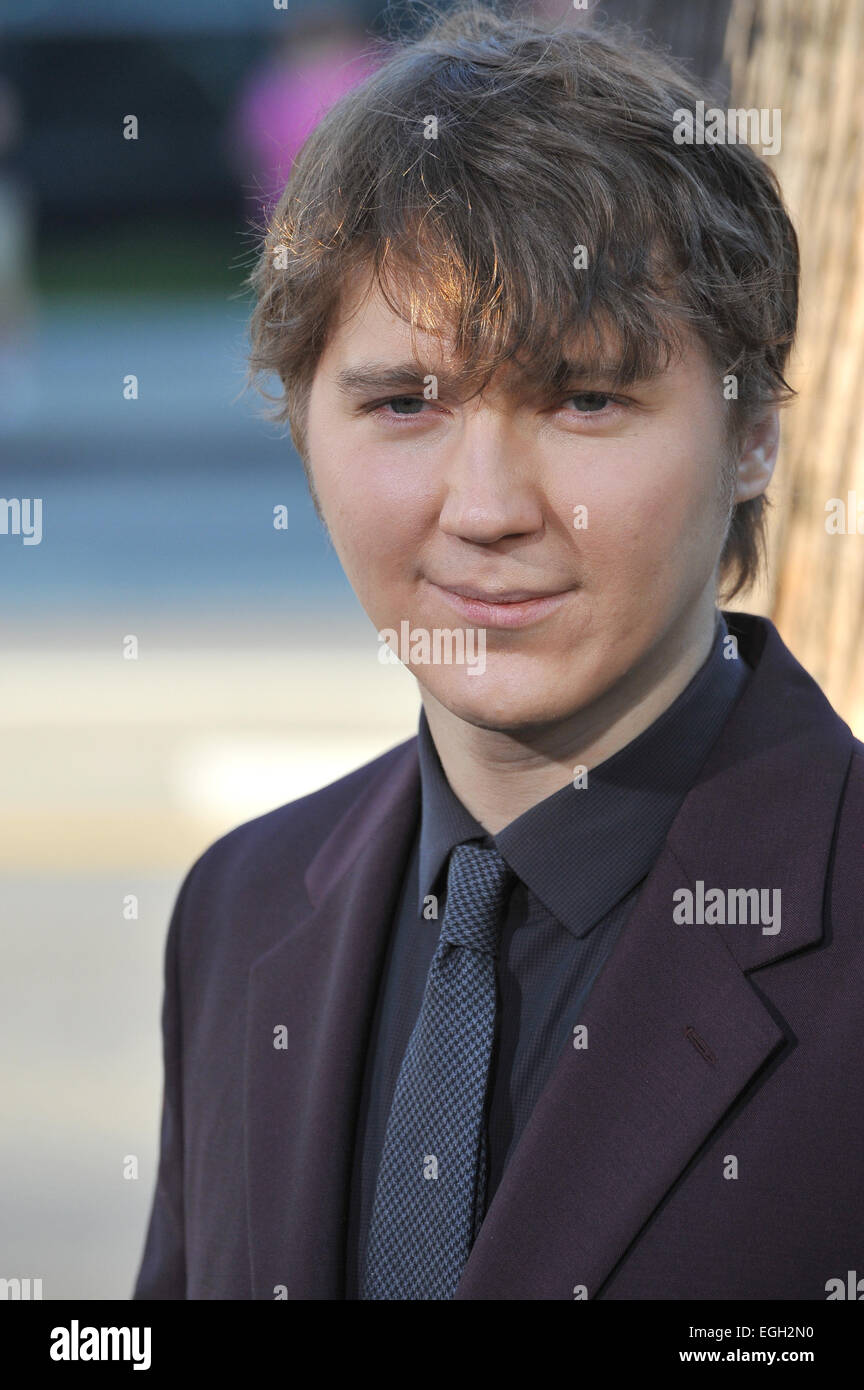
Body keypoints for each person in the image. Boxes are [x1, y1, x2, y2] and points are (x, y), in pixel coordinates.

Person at [133, 4, 864, 1301]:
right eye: (404, 402)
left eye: (585, 397)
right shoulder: (240, 908)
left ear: (754, 432)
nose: (486, 507)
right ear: (302, 425)